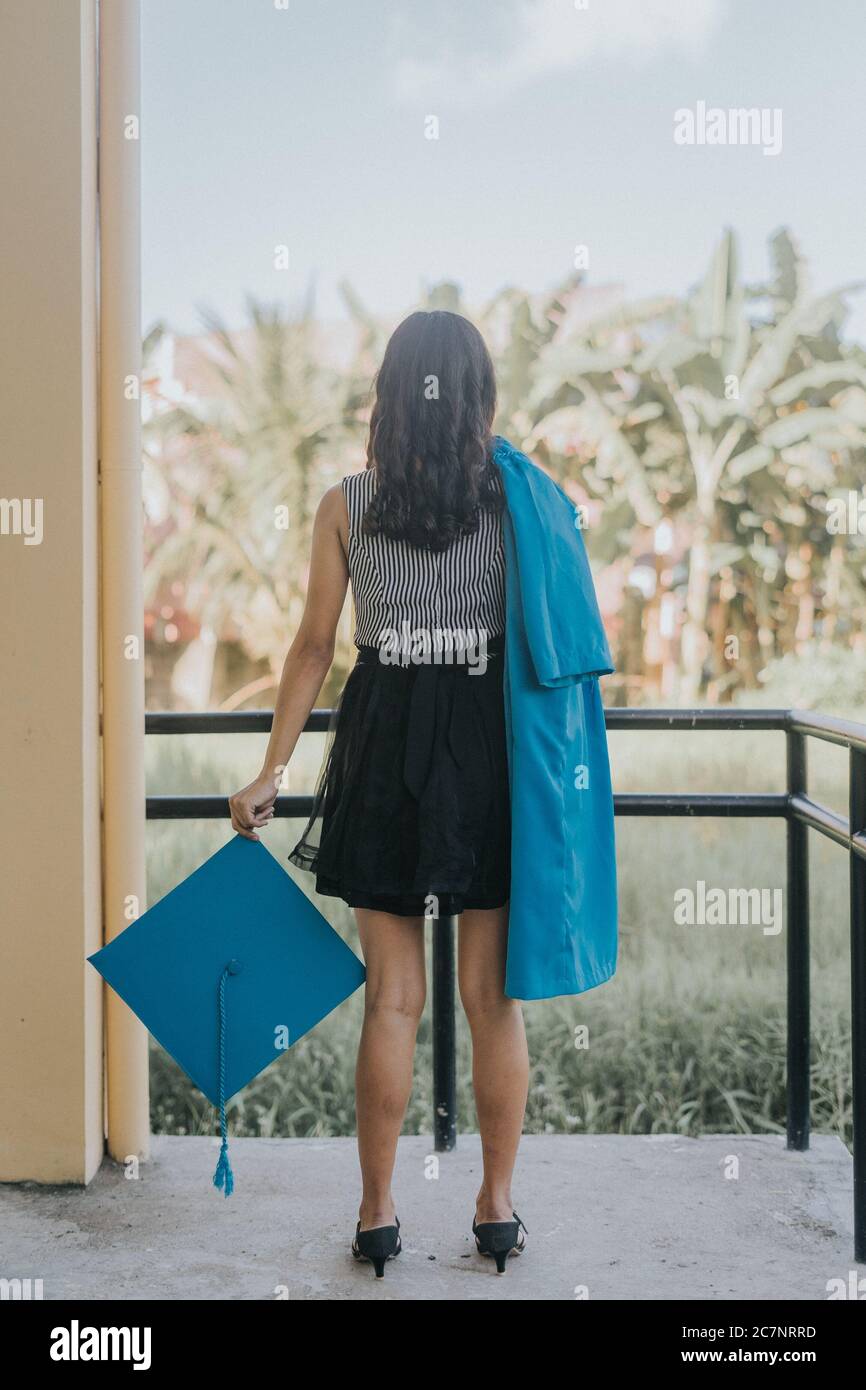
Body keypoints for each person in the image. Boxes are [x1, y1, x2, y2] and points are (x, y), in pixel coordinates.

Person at [229, 310, 528, 1277]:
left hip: (386, 735)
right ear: (474, 394)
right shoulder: (510, 499)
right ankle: (494, 1208)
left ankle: (378, 1214)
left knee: (393, 1000)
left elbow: (314, 647)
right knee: (491, 999)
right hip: (487, 743)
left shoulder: (346, 505)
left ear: (390, 394)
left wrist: (272, 772)